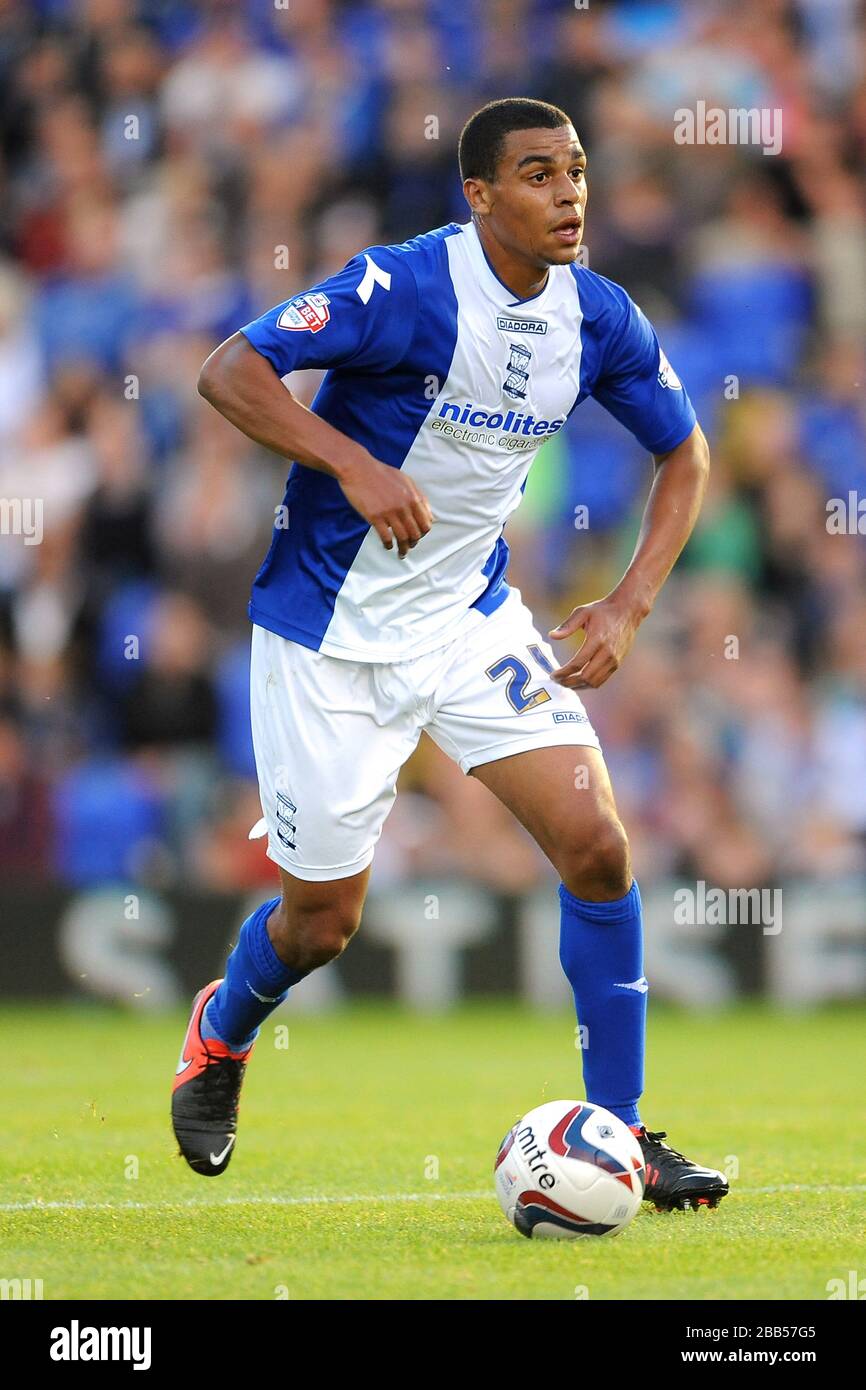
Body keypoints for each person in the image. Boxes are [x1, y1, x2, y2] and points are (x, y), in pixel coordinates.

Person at [171, 97, 726, 1214]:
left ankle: (615, 1133)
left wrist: (624, 604)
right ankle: (221, 1032)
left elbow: (685, 455)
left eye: (574, 172)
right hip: (326, 637)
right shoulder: (403, 289)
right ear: (478, 196)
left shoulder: (597, 317)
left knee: (597, 847)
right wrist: (351, 465)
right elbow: (231, 369)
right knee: (321, 923)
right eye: (536, 174)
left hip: (468, 621)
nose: (568, 194)